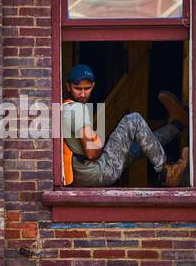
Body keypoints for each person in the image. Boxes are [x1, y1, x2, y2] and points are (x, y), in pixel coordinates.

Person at [61, 63, 189, 188]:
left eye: (87, 88)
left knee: (140, 146)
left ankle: (177, 124)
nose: (83, 94)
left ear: (93, 85)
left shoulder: (59, 109)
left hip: (80, 177)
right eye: (77, 88)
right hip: (98, 172)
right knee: (133, 120)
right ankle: (167, 173)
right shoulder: (77, 109)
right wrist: (97, 140)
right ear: (68, 86)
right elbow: (92, 153)